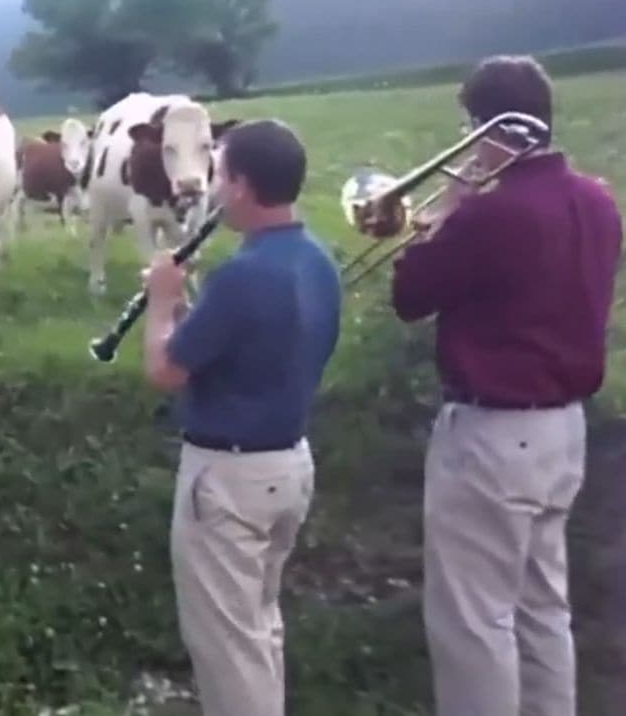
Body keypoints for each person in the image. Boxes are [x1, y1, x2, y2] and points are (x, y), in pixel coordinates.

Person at [390, 55, 621, 716]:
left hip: (493, 436)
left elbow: (411, 294)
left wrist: (454, 202)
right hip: (563, 430)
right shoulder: (598, 200)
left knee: (473, 623)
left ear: (487, 130)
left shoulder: (490, 215)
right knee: (543, 610)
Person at [140, 118, 342, 716]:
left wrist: (159, 306)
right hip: (289, 463)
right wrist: (189, 307)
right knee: (259, 628)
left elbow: (167, 370)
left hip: (228, 479)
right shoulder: (316, 259)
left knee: (226, 649)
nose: (216, 188)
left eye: (222, 173)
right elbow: (254, 343)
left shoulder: (242, 274)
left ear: (243, 186)